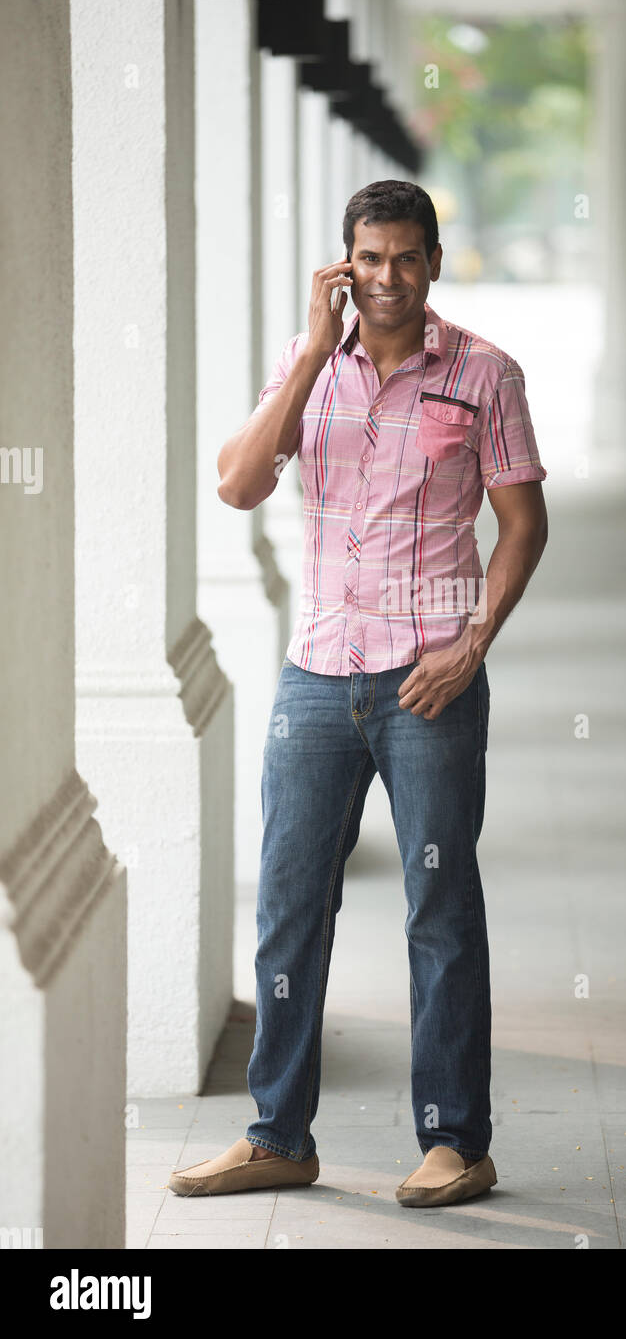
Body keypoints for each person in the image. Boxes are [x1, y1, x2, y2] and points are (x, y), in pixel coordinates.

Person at [168, 179, 548, 1208]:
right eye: (368, 259)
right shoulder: (308, 373)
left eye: (406, 258)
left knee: (438, 905)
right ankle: (277, 1133)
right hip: (314, 679)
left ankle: (454, 1141)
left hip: (428, 681)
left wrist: (472, 643)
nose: (388, 278)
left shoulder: (485, 375)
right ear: (344, 262)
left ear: (433, 260)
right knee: (290, 904)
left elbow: (522, 524)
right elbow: (241, 483)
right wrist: (307, 347)